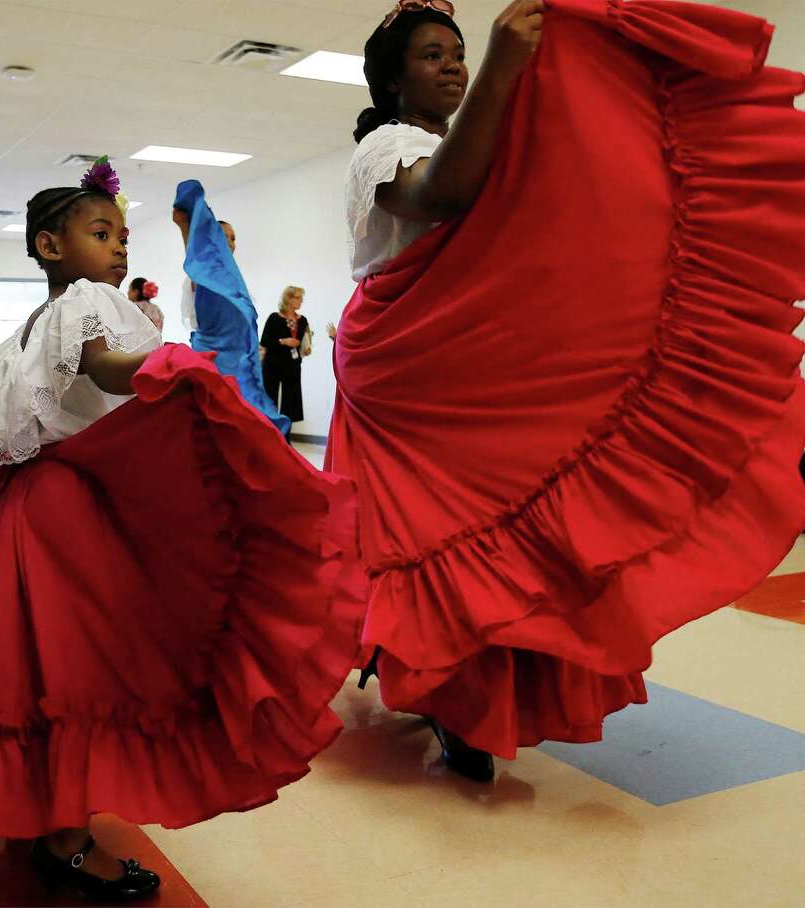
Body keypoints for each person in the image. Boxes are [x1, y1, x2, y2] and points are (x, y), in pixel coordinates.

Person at [0, 159, 364, 902]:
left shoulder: (27, 328)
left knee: (27, 664)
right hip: (67, 513)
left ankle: (43, 812)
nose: (120, 247)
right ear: (51, 247)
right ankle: (64, 836)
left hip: (30, 507)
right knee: (83, 665)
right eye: (101, 232)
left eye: (122, 235)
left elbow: (29, 419)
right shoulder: (85, 303)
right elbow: (107, 368)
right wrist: (167, 362)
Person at [328, 0, 805, 782]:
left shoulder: (458, 140)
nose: (452, 64)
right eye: (430, 55)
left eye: (458, 52)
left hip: (451, 367)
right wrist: (507, 65)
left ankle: (460, 689)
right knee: (446, 531)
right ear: (390, 81)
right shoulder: (386, 145)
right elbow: (438, 197)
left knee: (493, 527)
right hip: (407, 378)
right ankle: (447, 688)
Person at [173, 184, 290, 434]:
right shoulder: (204, 275)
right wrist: (187, 226)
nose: (229, 243)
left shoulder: (235, 280)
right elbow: (197, 262)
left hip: (241, 358)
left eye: (233, 238)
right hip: (216, 356)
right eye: (222, 236)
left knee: (249, 422)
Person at [260, 286, 312, 424]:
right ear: (288, 299)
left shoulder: (303, 320)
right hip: (272, 366)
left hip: (292, 366)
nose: (301, 301)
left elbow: (304, 341)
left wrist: (306, 349)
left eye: (302, 298)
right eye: (298, 298)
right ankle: (270, 437)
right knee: (270, 401)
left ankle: (285, 438)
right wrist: (283, 341)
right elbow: (264, 341)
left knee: (290, 404)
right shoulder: (274, 318)